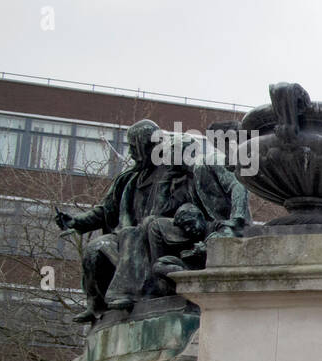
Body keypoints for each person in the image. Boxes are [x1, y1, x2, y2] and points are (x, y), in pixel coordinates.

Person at [56, 119, 250, 322]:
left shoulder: (182, 170)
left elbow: (188, 205)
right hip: (130, 235)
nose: (131, 153)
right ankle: (96, 306)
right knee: (95, 249)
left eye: (133, 147)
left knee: (141, 229)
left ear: (146, 146)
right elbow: (105, 210)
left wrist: (234, 222)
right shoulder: (128, 179)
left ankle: (127, 292)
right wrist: (76, 222)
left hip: (161, 234)